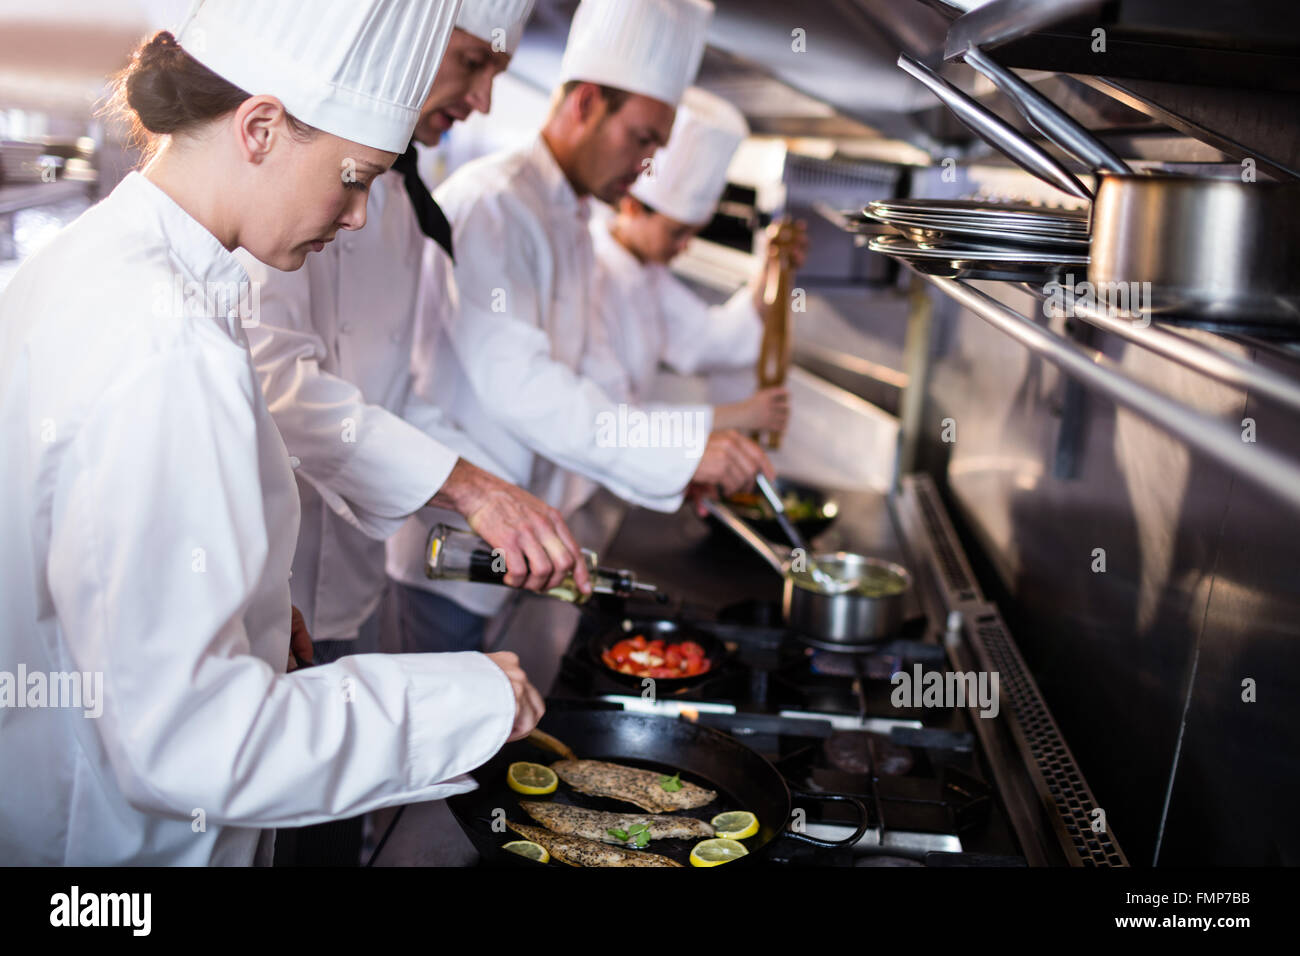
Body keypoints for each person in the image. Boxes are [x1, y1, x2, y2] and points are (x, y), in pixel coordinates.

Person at [0, 0, 542, 866]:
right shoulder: (170, 346)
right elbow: (192, 743)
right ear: (259, 129)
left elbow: (84, 558)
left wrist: (246, 604)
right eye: (356, 177)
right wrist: (467, 702)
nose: (359, 214)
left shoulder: (91, 261)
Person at [385, 0, 774, 654]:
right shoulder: (494, 205)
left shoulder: (570, 222)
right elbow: (521, 383)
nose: (646, 166)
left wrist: (682, 460)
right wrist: (677, 452)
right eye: (644, 138)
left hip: (524, 541)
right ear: (587, 103)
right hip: (451, 553)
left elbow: (595, 377)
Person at [238, 0, 560, 668]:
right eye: (473, 62)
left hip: (356, 577)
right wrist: (470, 487)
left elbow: (388, 391)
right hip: (266, 585)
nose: (483, 101)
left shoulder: (405, 204)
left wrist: (502, 495)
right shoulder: (280, 180)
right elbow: (277, 387)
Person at [594, 86, 809, 429]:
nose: (685, 247)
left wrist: (772, 269)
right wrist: (741, 415)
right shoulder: (593, 275)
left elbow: (708, 340)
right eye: (677, 232)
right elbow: (604, 422)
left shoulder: (646, 275)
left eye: (693, 233)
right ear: (633, 207)